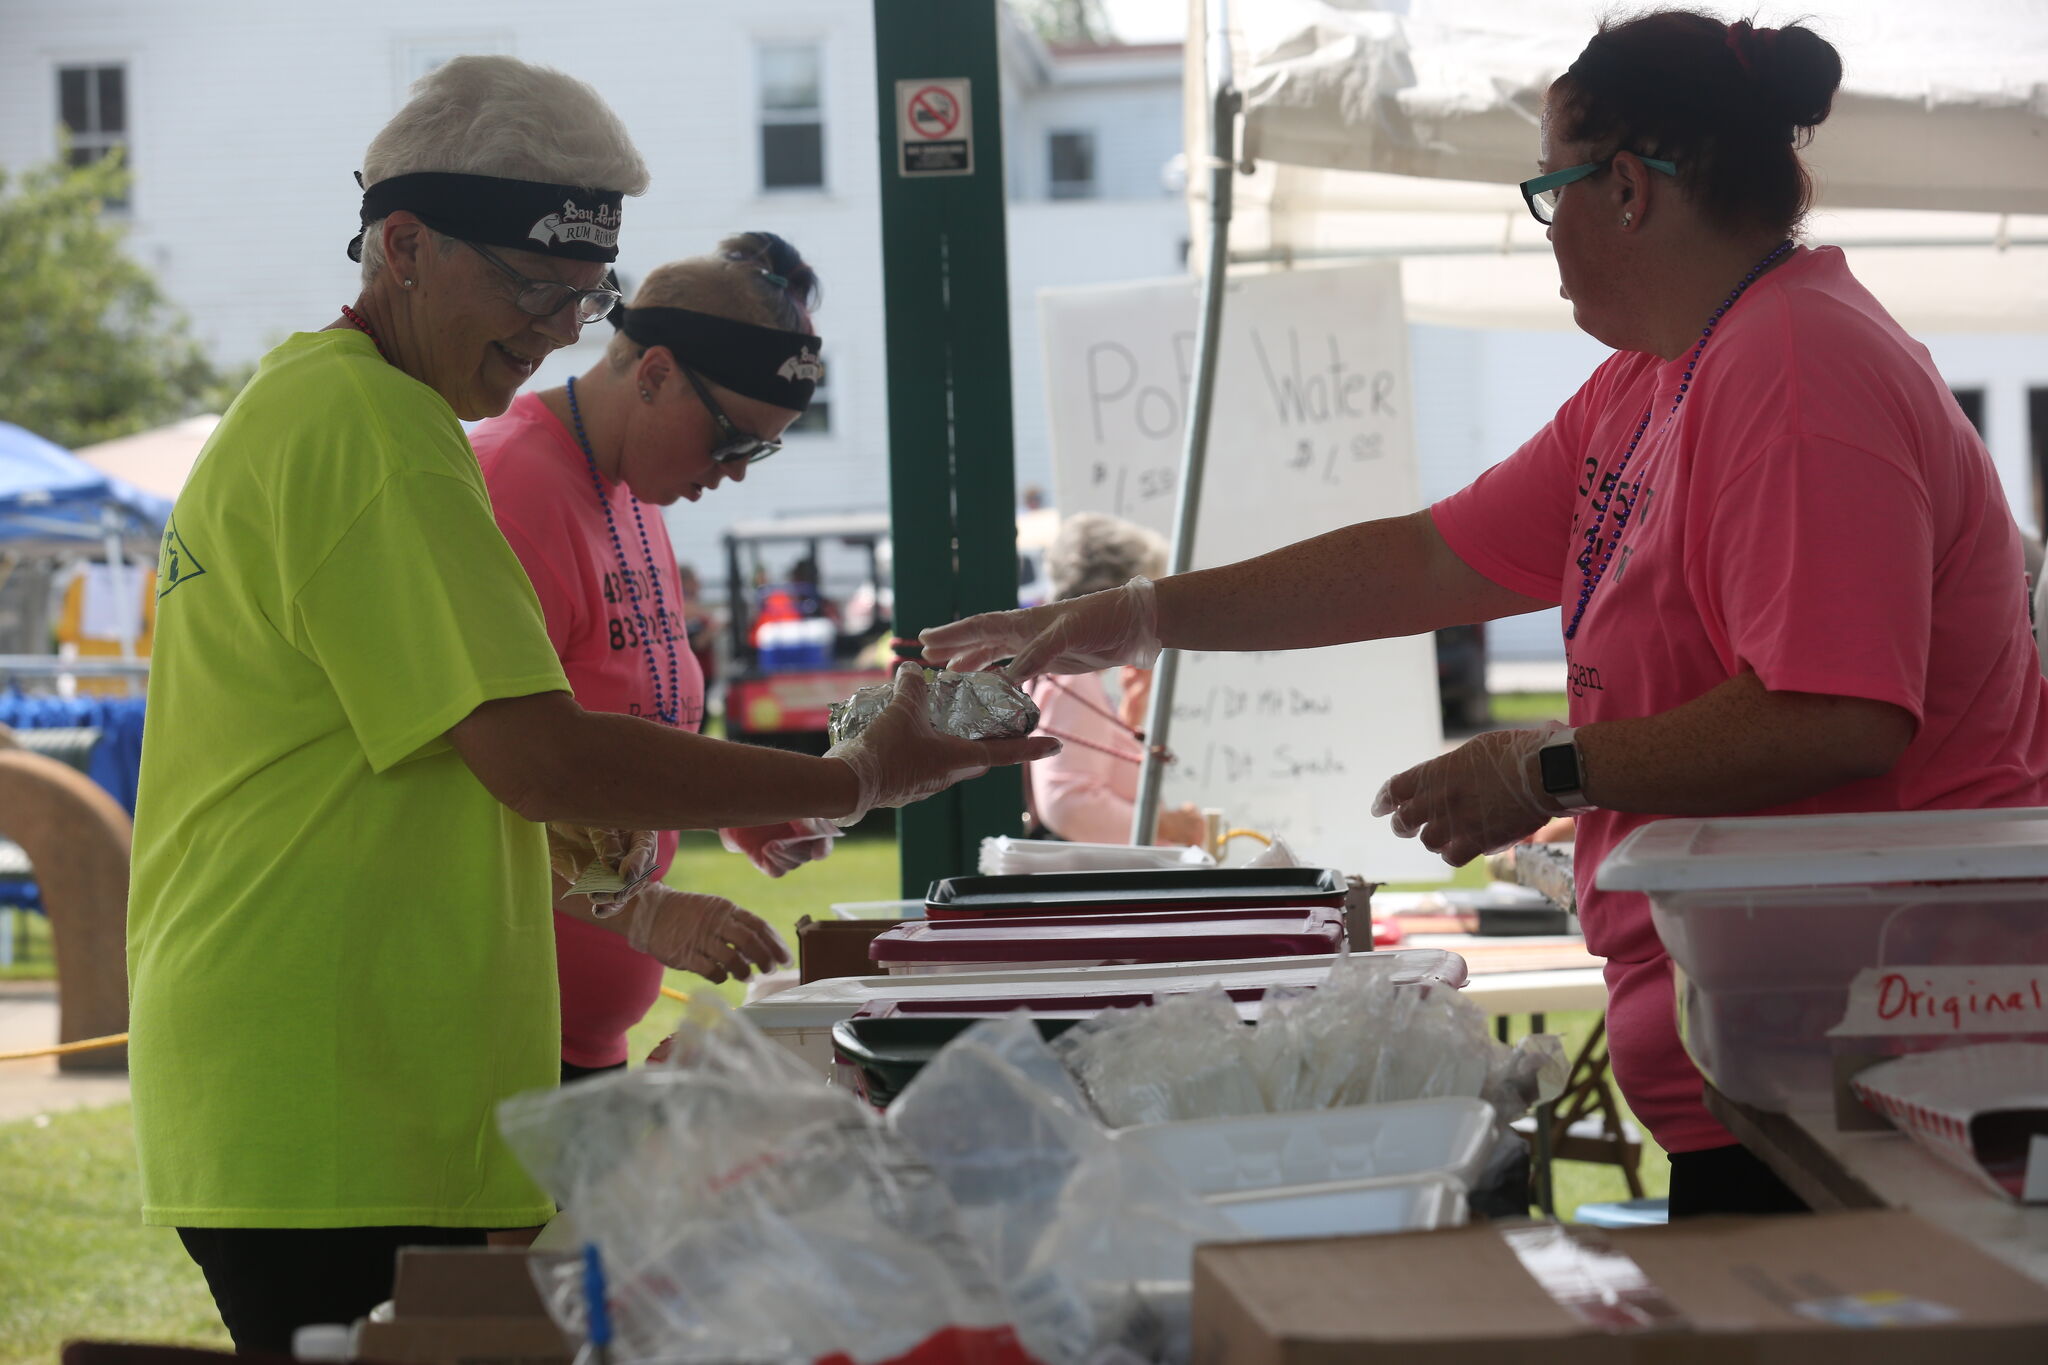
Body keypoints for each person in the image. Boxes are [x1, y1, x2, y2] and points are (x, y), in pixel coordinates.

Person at [921, 11, 2048, 1219]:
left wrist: (1546, 766)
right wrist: (1132, 615)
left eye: (1545, 191)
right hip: (1783, 1059)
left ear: (1625, 189)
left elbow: (1833, 715)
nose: (1543, 235)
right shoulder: (1663, 373)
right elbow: (1422, 558)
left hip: (1876, 1066)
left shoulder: (1794, 368)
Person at [127, 56, 1055, 1351]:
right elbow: (541, 759)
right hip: (336, 1090)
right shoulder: (374, 431)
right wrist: (853, 781)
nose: (561, 328)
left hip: (346, 1082)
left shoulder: (336, 411)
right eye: (534, 287)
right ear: (401, 244)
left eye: (586, 295)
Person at [471, 231, 840, 1084]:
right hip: (491, 1033)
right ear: (655, 372)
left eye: (761, 450)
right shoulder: (508, 492)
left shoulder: (633, 494)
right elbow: (475, 777)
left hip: (575, 1036)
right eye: (731, 440)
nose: (736, 473)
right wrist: (640, 909)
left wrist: (723, 803)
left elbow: (625, 724)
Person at [1026, 513, 1204, 846]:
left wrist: (1127, 719)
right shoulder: (1071, 678)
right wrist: (1162, 826)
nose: (1154, 621)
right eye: (1148, 604)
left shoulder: (1065, 671)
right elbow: (1068, 805)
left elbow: (1084, 773)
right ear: (1118, 602)